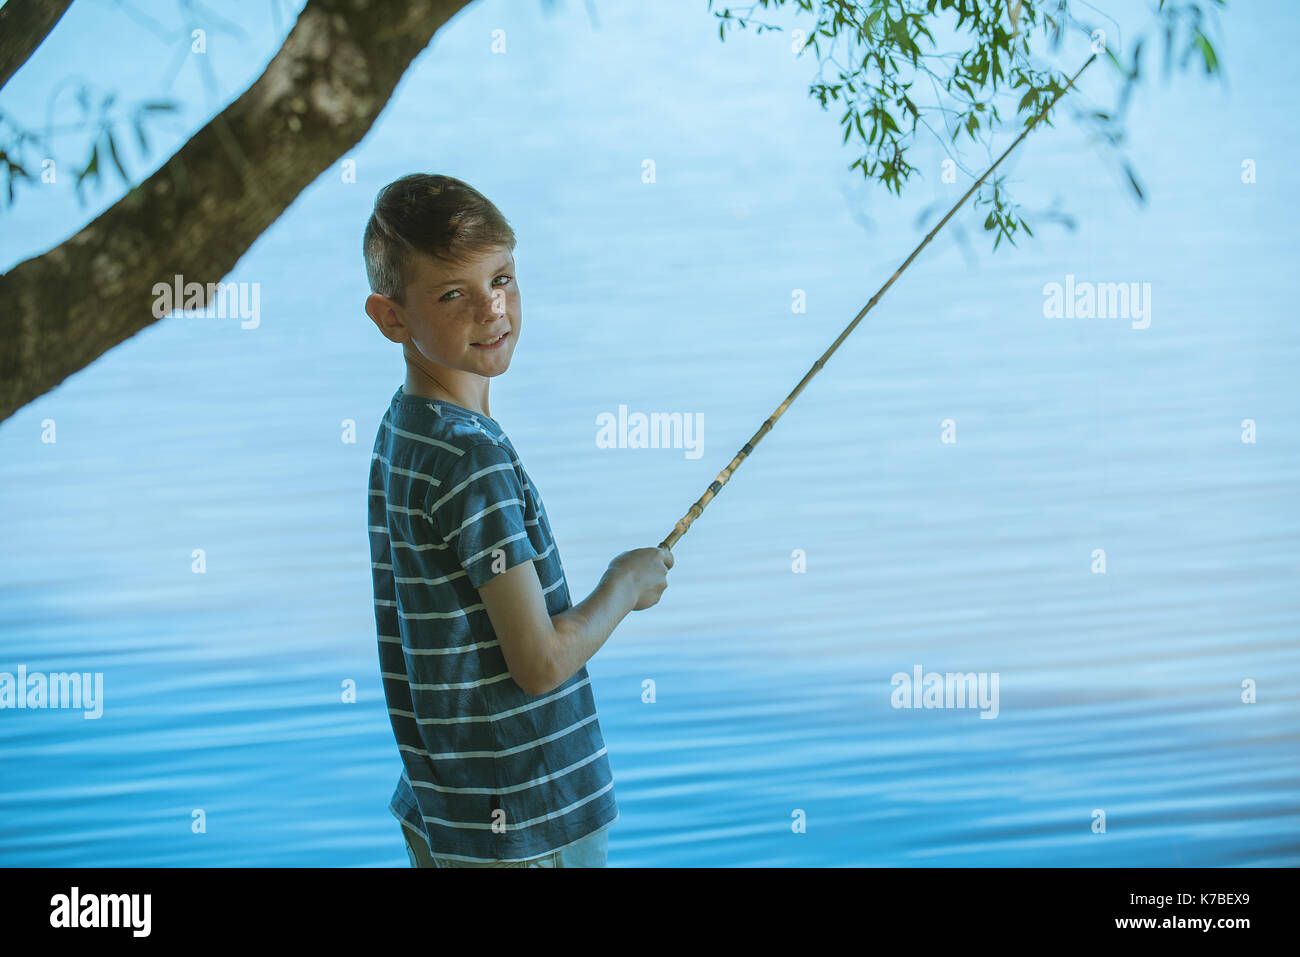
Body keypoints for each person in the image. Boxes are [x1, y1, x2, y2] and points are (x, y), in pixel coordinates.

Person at [362, 174, 672, 867]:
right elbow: (538, 662)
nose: (491, 308)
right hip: (529, 822)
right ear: (392, 318)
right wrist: (624, 584)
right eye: (453, 294)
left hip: (446, 806)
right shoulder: (471, 458)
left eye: (501, 278)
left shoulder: (406, 428)